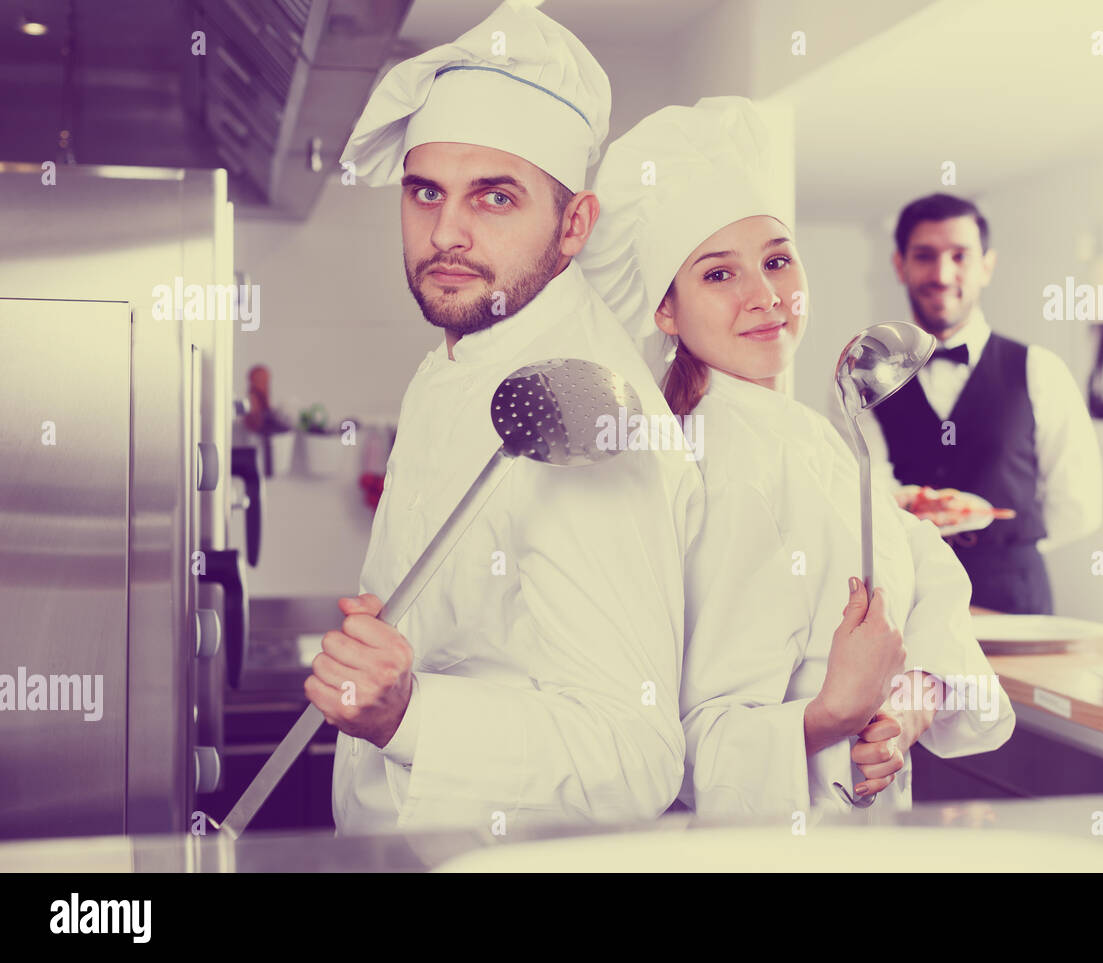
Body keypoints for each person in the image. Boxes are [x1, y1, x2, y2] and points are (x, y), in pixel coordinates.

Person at [312, 0, 704, 833]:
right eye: (425, 192)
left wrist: (406, 715)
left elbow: (631, 750)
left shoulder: (587, 418)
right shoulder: (460, 352)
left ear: (574, 224)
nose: (445, 232)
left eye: (494, 197)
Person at [580, 97, 1014, 817]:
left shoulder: (816, 434)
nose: (767, 296)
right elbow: (682, 746)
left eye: (778, 261)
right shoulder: (699, 465)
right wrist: (832, 715)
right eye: (719, 274)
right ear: (665, 310)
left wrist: (909, 701)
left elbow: (927, 574)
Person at [856, 193, 1103, 615]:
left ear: (987, 265)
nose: (942, 272)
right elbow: (864, 490)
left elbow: (1078, 504)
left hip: (1015, 602)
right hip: (907, 600)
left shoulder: (1040, 369)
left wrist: (1009, 547)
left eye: (960, 255)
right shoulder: (864, 375)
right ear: (900, 265)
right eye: (925, 255)